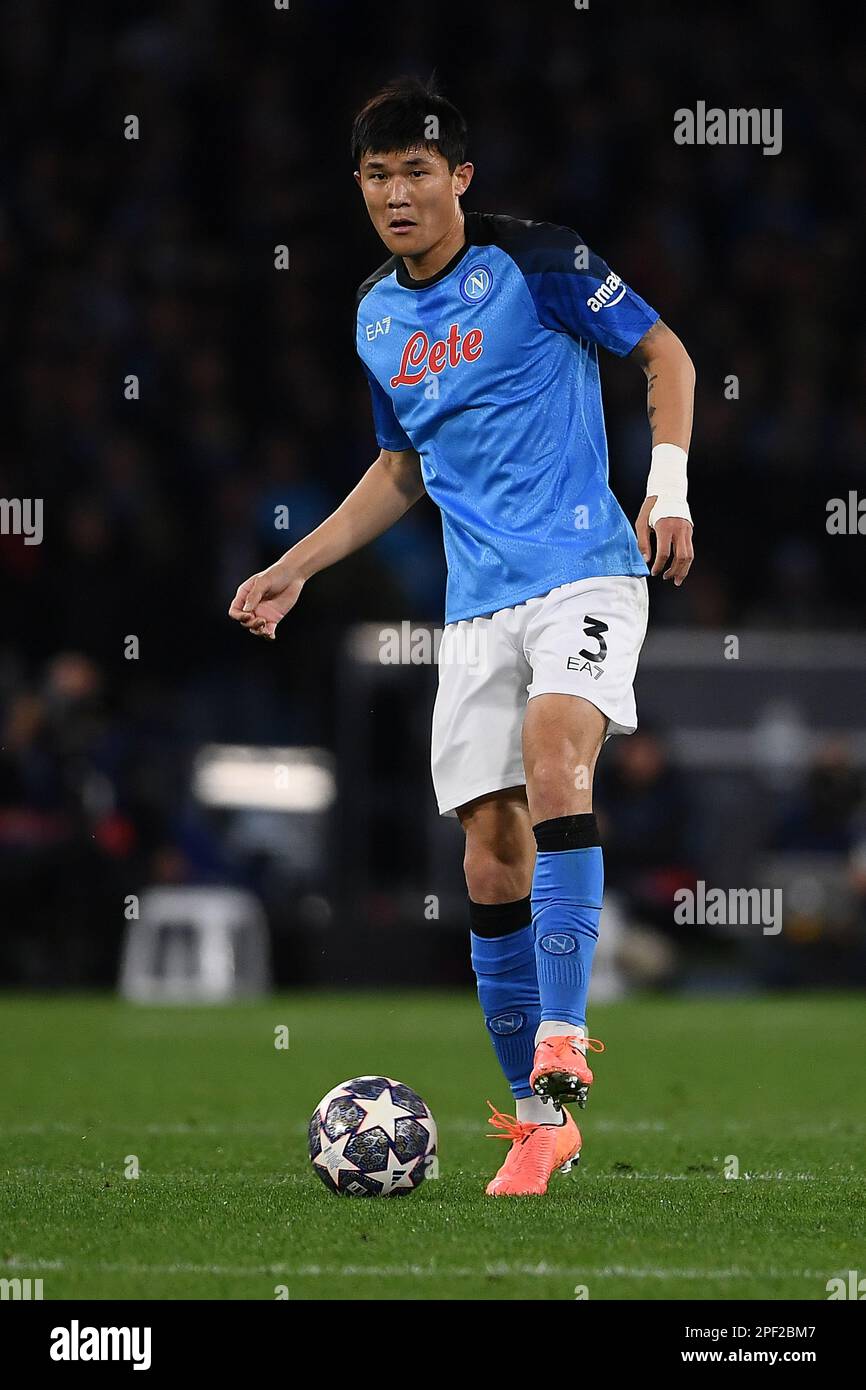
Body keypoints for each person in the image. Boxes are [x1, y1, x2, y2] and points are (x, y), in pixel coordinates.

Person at [229, 77, 695, 1196]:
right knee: (488, 849)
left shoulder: (535, 262)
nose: (397, 193)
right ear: (360, 187)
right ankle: (539, 1127)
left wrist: (667, 488)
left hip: (584, 568)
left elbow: (665, 355)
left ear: (458, 179)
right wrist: (295, 564)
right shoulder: (373, 316)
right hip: (475, 608)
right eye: (378, 175)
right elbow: (402, 470)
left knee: (552, 759)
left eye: (416, 172)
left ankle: (563, 1039)